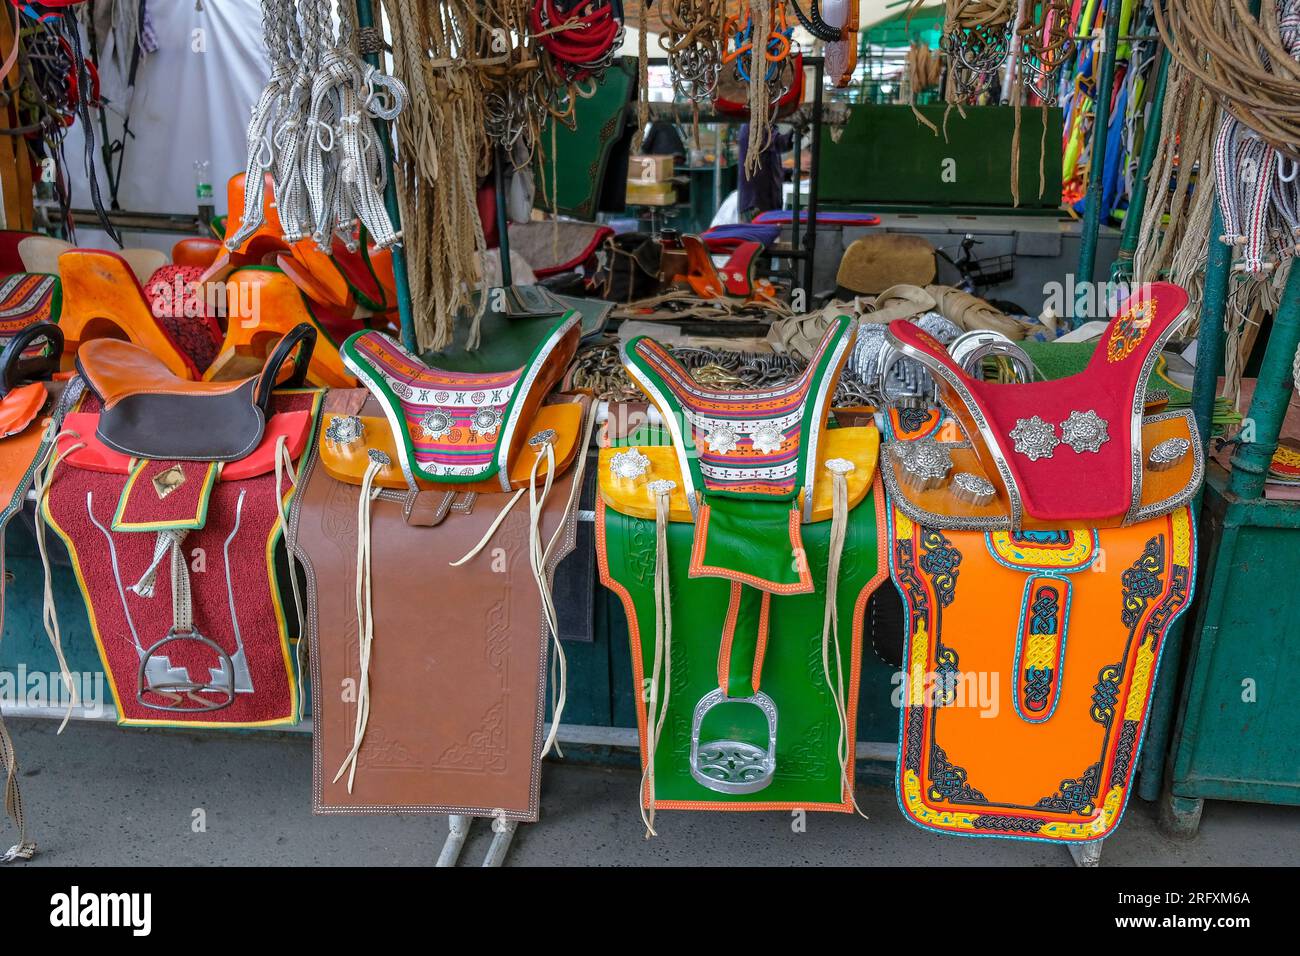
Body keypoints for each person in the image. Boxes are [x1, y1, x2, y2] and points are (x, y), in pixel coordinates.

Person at [737, 122, 794, 221]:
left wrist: (791, 173)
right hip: (757, 206)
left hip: (765, 204)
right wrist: (798, 129)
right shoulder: (756, 125)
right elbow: (780, 143)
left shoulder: (765, 126)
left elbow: (769, 168)